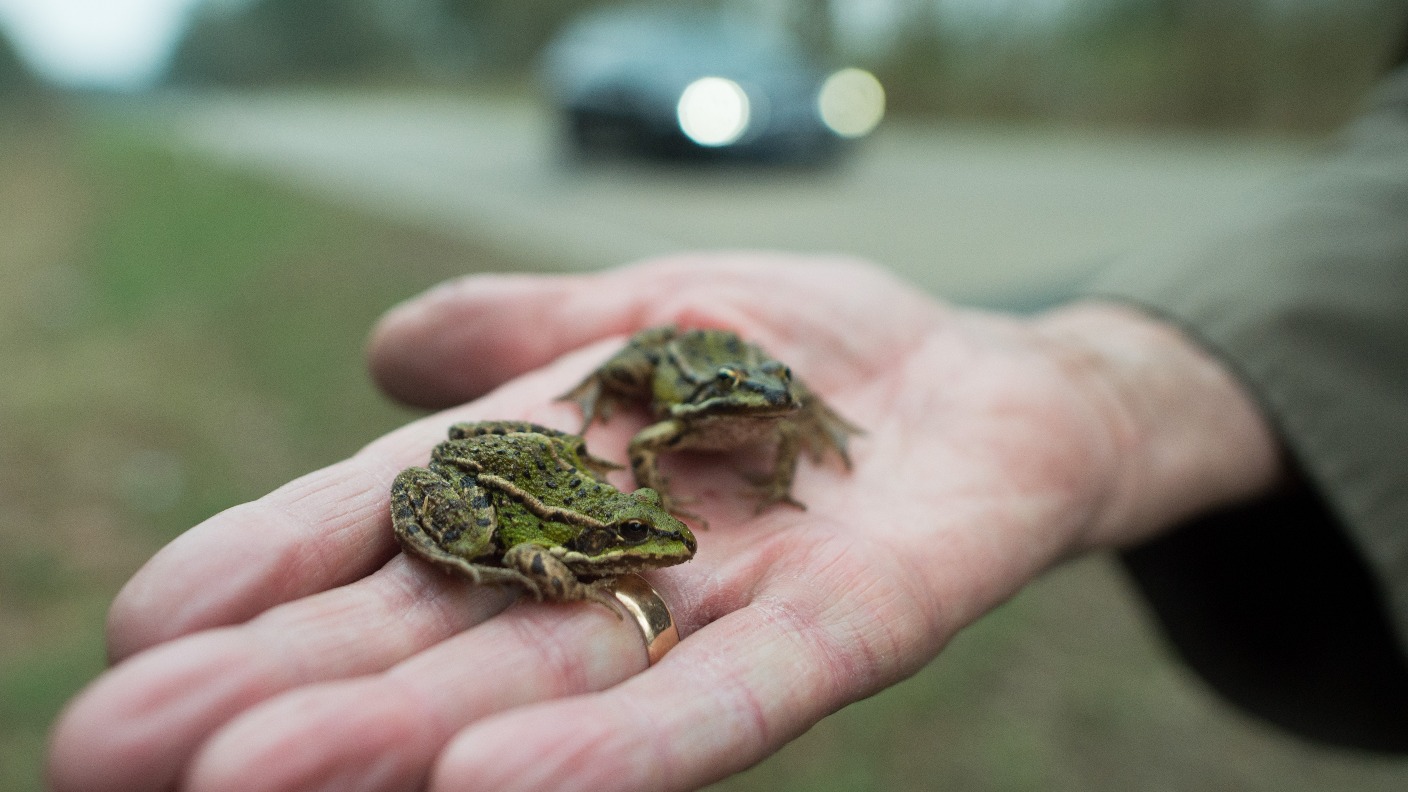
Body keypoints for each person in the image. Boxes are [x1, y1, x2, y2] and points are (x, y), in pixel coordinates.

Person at [46, 53, 1408, 792]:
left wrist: (1117, 381)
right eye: (647, 537)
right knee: (470, 510)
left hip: (561, 471)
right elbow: (588, 493)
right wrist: (550, 547)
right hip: (510, 496)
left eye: (649, 537)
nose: (661, 545)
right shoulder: (588, 522)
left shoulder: (729, 442)